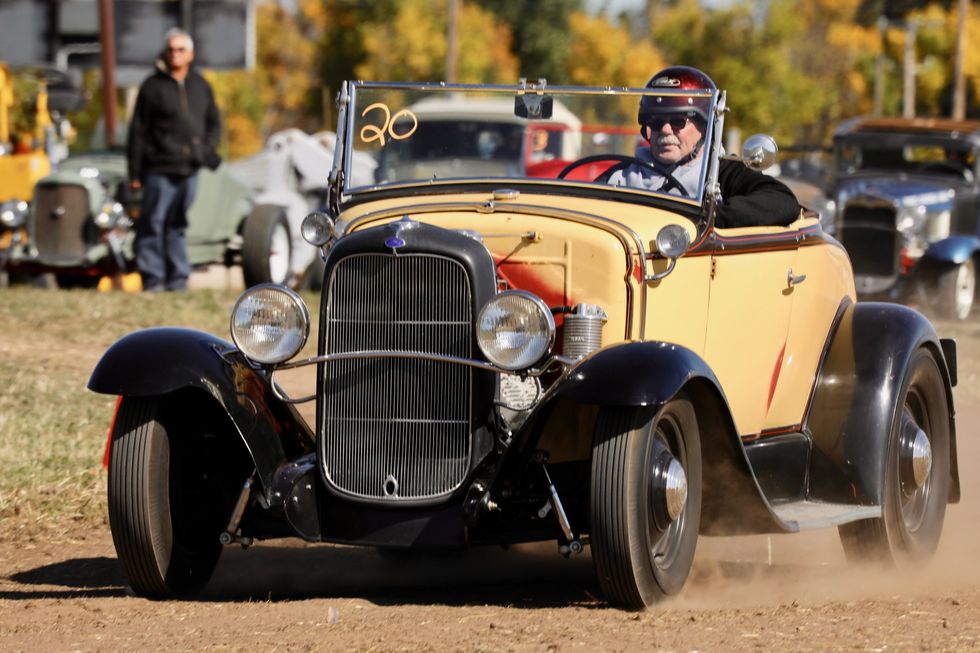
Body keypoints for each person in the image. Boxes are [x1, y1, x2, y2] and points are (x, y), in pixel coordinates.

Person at [609, 66, 800, 229]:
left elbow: (782, 201)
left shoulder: (720, 172)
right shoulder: (623, 175)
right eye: (656, 122)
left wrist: (708, 217)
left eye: (678, 121)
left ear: (705, 127)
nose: (666, 130)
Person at [127, 28, 221, 291]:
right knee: (152, 224)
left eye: (180, 49)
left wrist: (205, 150)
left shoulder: (201, 85)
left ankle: (178, 280)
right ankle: (153, 279)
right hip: (159, 168)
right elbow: (138, 132)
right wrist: (134, 173)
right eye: (170, 49)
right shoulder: (152, 86)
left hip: (189, 169)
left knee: (177, 225)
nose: (175, 54)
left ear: (190, 54)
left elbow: (214, 123)